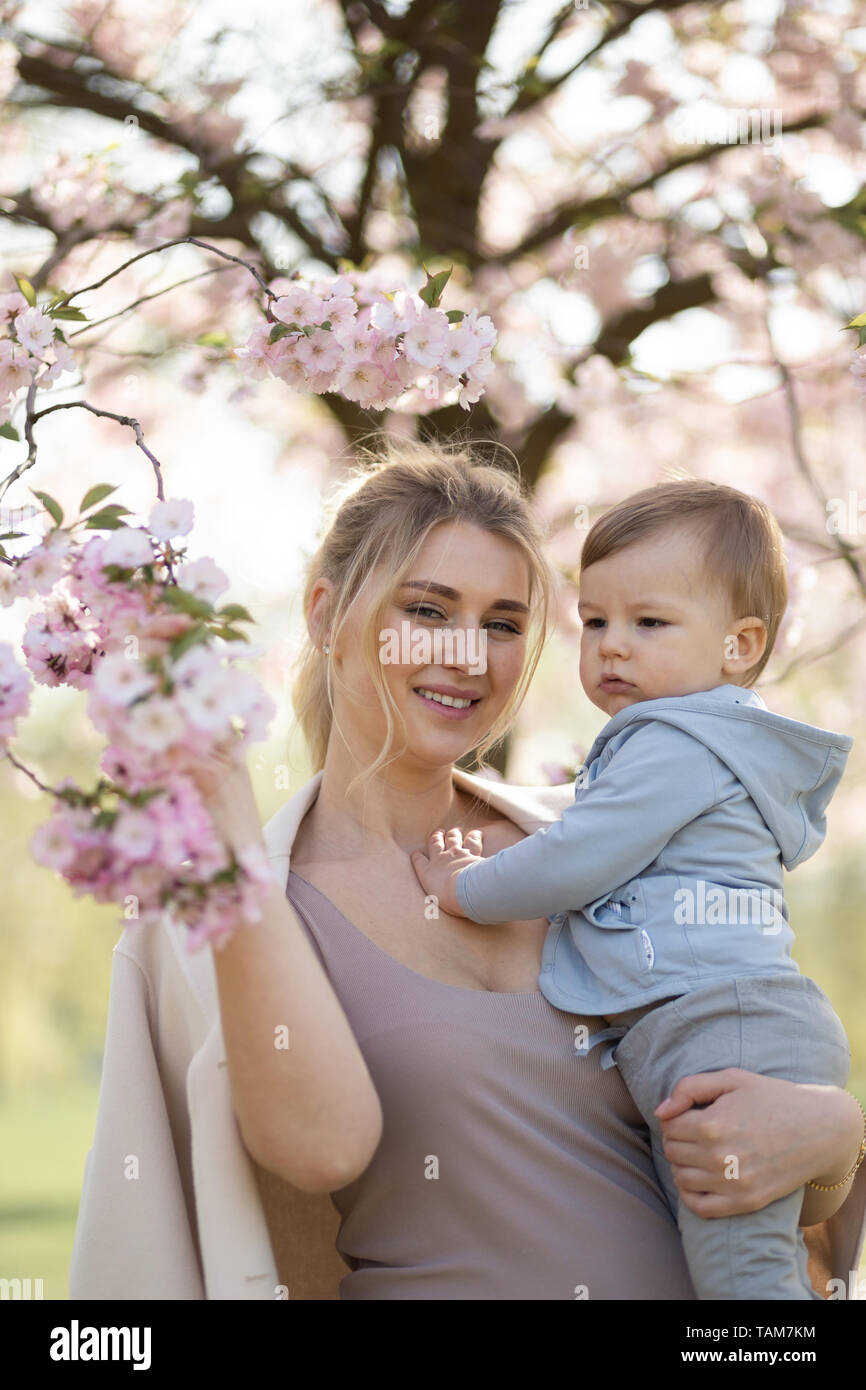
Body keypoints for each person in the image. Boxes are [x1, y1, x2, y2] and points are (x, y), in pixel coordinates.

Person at [69, 439, 866, 1300]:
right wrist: (223, 824)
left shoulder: (612, 841)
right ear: (327, 613)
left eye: (503, 624)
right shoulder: (243, 903)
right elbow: (320, 1147)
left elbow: (771, 1142)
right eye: (428, 610)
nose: (468, 656)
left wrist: (835, 1133)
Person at [411, 479, 866, 1300]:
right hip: (722, 1028)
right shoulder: (684, 743)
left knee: (744, 1277)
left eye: (648, 622)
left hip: (722, 1032)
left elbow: (579, 857)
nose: (611, 645)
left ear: (739, 645)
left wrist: (468, 886)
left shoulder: (676, 742)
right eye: (594, 622)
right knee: (725, 1262)